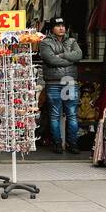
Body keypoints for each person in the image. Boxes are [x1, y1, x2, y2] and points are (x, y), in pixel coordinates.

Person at [39, 16, 83, 154]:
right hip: (53, 82)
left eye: (63, 25)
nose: (61, 28)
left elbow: (79, 55)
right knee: (55, 115)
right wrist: (69, 59)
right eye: (58, 26)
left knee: (72, 114)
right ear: (52, 28)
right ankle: (58, 143)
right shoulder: (45, 43)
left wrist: (61, 56)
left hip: (70, 81)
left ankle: (73, 143)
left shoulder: (72, 41)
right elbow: (51, 60)